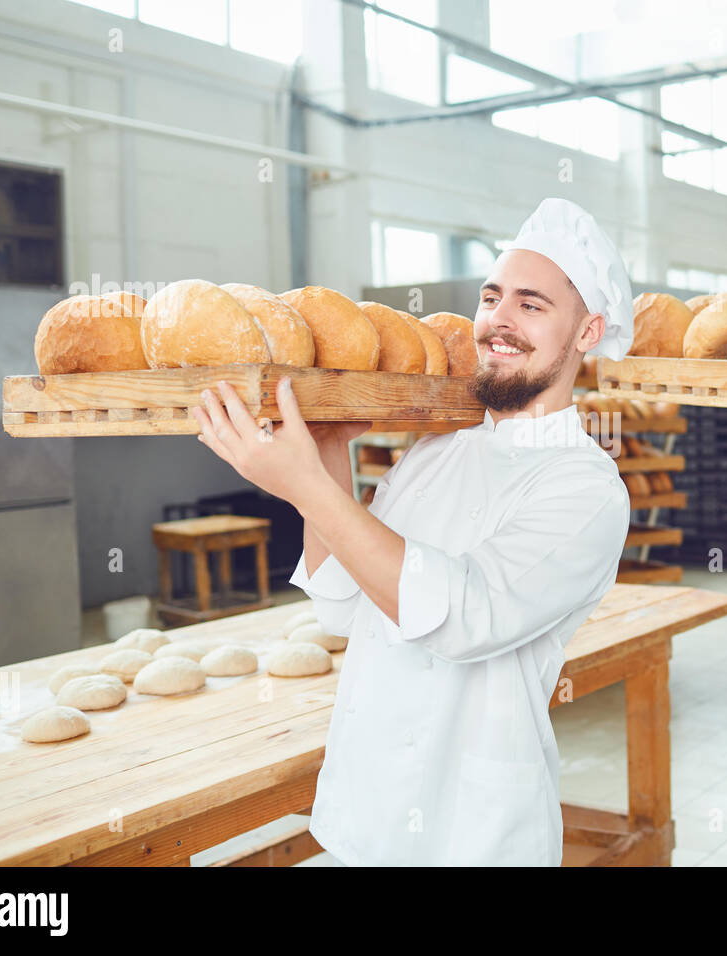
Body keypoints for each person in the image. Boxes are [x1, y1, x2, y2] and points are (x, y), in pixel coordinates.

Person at [189, 197, 633, 866]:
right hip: (363, 816)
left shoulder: (587, 487)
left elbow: (461, 617)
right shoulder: (437, 450)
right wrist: (331, 451)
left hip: (472, 834)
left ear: (587, 332)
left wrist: (304, 484)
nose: (497, 322)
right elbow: (342, 601)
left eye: (531, 305)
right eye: (491, 298)